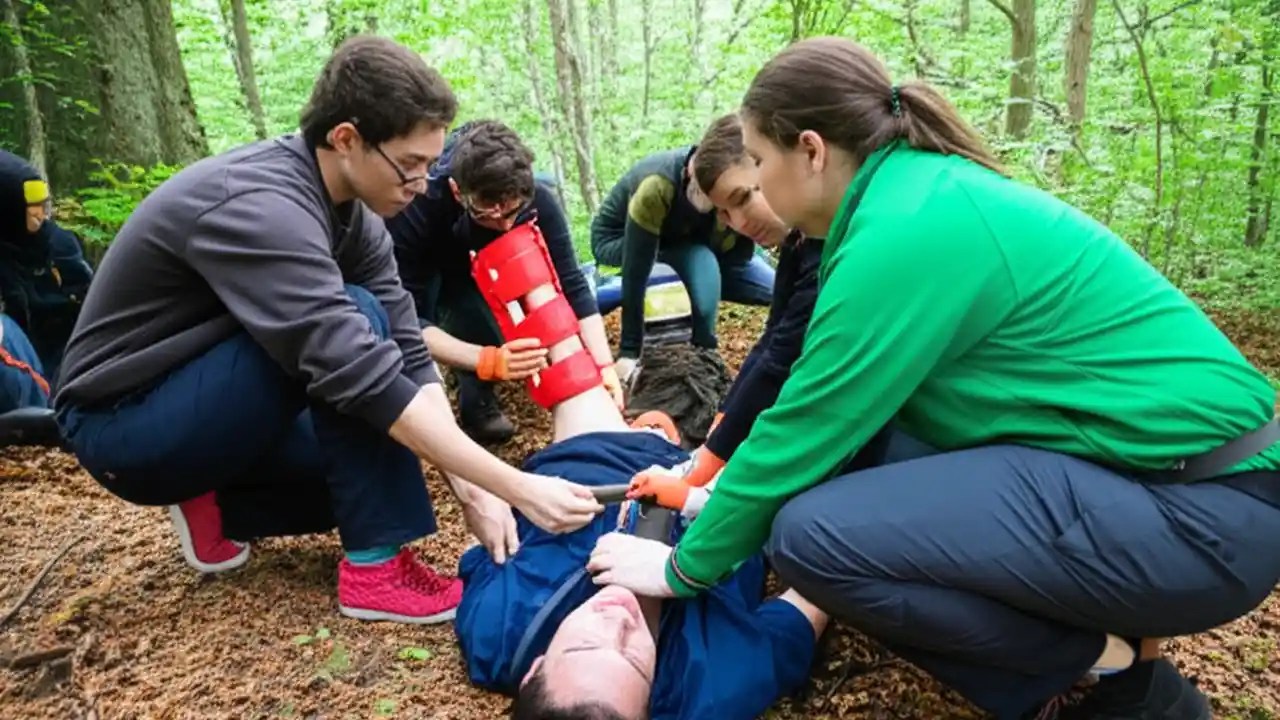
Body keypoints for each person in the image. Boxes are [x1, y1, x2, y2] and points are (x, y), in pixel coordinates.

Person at [587, 37, 1280, 720]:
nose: (758, 189)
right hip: (1175, 486)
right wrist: (724, 498)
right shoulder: (911, 195)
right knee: (862, 465)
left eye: (761, 162)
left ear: (811, 150)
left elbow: (807, 422)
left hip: (1204, 516)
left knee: (809, 540)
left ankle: (1112, 677)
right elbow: (832, 424)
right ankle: (1112, 651)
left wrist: (683, 569)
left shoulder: (902, 233)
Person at [52, 35, 603, 626]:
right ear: (346, 139)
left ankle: (212, 495)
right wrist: (519, 486)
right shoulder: (262, 206)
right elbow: (359, 367)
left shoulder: (357, 217)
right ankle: (374, 571)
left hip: (202, 402)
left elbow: (409, 350)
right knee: (355, 317)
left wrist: (474, 488)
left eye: (429, 166)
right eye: (410, 165)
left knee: (363, 467)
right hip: (123, 427)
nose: (422, 186)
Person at [451, 274, 826, 720]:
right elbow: (817, 588)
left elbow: (480, 554)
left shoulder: (499, 633)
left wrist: (509, 499)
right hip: (721, 483)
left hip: (597, 453)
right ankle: (672, 362)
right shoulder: (711, 686)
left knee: (551, 327)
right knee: (767, 389)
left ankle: (648, 366)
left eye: (585, 644)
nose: (617, 618)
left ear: (534, 671)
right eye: (632, 660)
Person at [388, 119, 622, 444]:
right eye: (489, 213)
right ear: (458, 191)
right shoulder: (416, 206)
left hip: (486, 259)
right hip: (429, 259)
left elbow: (573, 286)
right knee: (456, 321)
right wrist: (486, 360)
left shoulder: (536, 199)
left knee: (494, 319)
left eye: (513, 211)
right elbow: (403, 319)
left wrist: (603, 364)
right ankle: (466, 400)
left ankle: (480, 385)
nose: (504, 223)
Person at [629, 113, 823, 495]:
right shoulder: (797, 243)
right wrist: (720, 425)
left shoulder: (826, 250)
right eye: (723, 213)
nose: (739, 222)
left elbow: (781, 362)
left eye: (743, 198)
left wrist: (699, 475)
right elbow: (769, 342)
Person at [590, 134, 776, 384]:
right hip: (625, 240)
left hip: (692, 240)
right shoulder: (657, 186)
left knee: (770, 287)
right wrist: (629, 351)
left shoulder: (734, 183)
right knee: (701, 260)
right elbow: (637, 268)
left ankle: (701, 286)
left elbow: (740, 257)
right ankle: (703, 353)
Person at [0, 150, 93, 413]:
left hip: (67, 357)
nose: (41, 215)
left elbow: (91, 299)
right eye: (32, 208)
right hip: (20, 361)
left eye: (44, 205)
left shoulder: (60, 245)